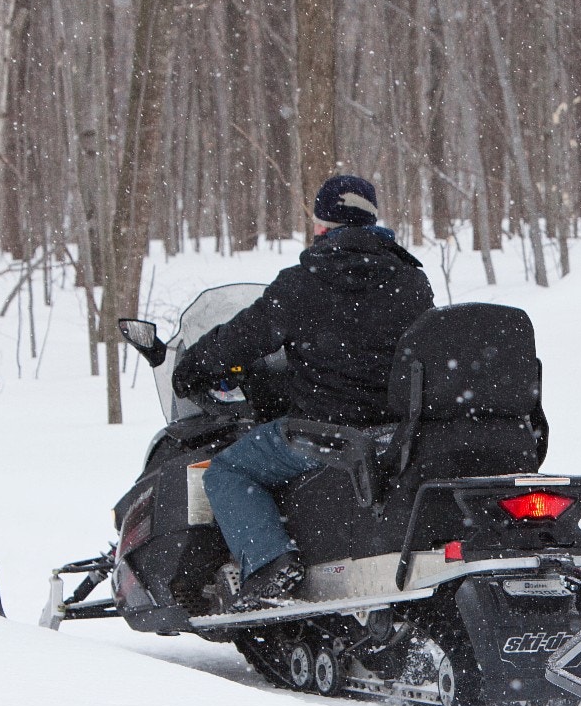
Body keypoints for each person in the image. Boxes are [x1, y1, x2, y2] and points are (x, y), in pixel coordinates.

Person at [172, 175, 435, 611]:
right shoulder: (411, 282)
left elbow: (241, 338)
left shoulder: (302, 282)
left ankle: (270, 563)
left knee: (227, 472)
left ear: (321, 225)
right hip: (392, 430)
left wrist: (193, 368)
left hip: (322, 433)